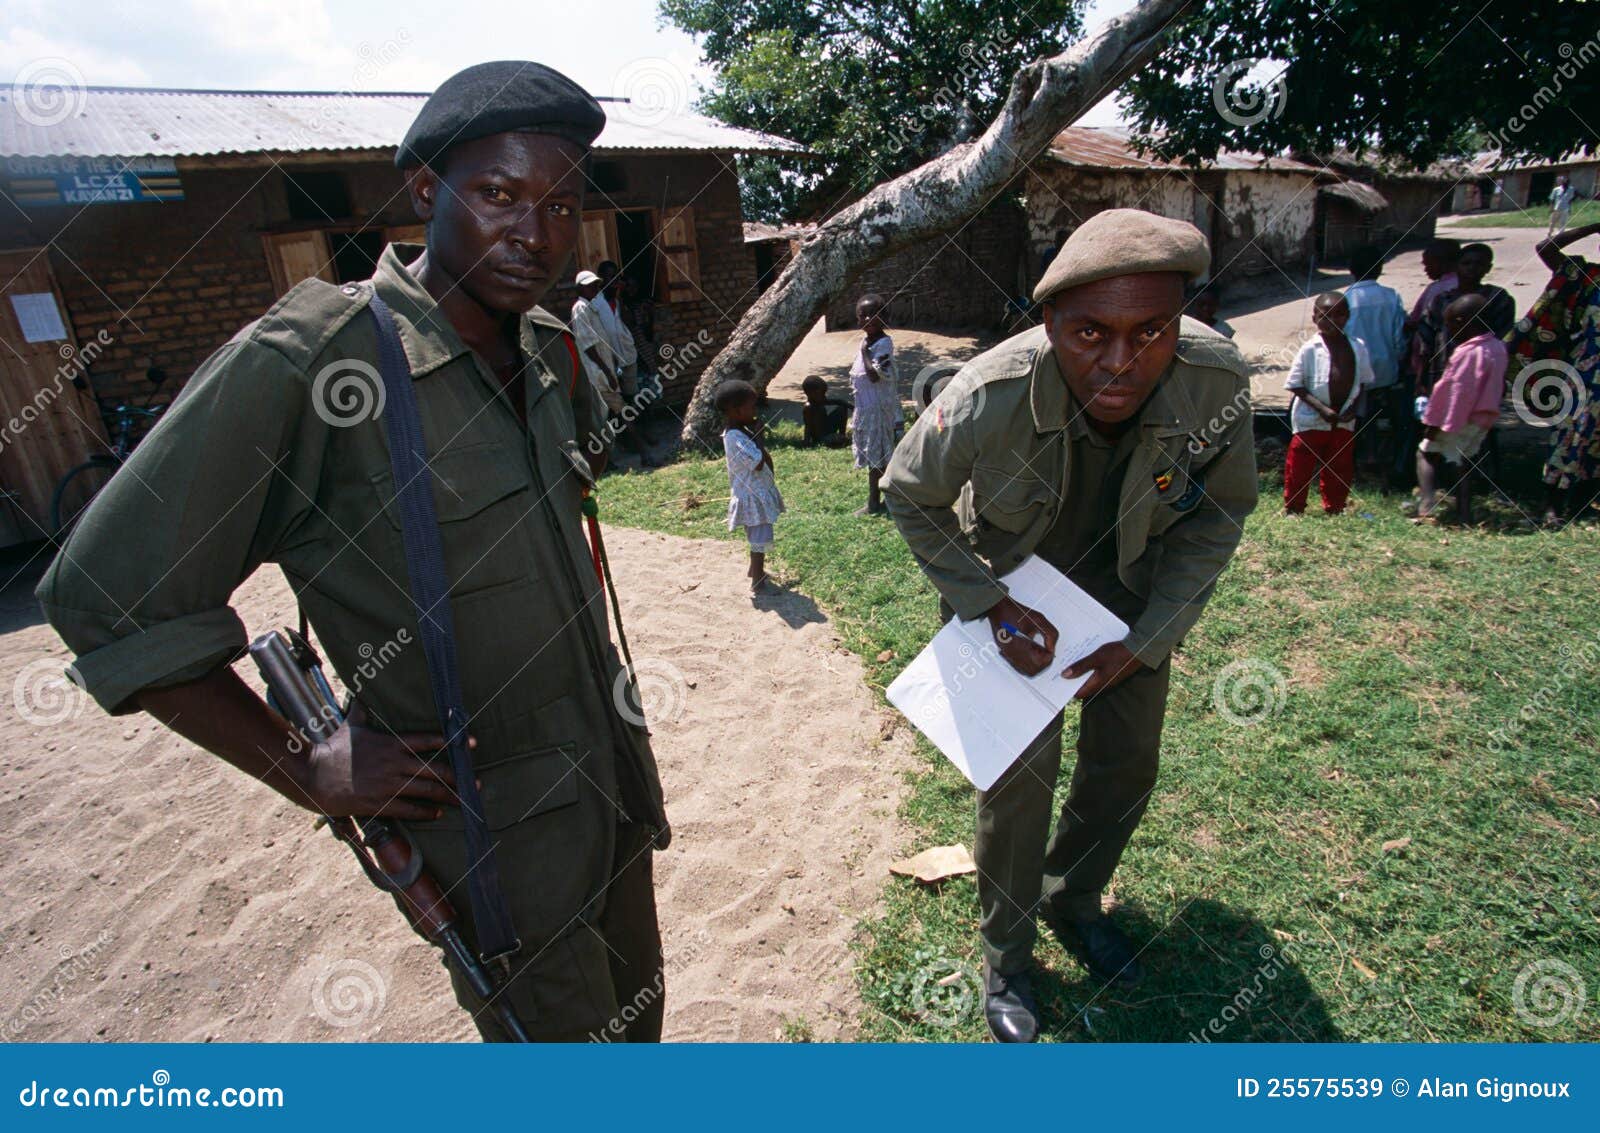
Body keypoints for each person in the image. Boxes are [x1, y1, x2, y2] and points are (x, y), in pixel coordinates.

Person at [34, 61, 670, 1042]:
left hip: (611, 789)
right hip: (494, 841)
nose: (534, 235)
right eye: (499, 195)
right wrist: (305, 764)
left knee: (639, 1035)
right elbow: (108, 594)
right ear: (426, 191)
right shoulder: (318, 358)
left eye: (560, 204)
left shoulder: (545, 348)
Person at [882, 208, 1258, 1042]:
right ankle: (1007, 955)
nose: (1120, 361)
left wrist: (1150, 636)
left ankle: (1074, 898)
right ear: (1048, 322)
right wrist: (988, 605)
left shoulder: (1216, 383)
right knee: (1018, 785)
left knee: (1126, 767)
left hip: (1131, 596)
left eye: (1151, 331)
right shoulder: (988, 392)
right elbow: (911, 494)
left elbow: (1217, 515)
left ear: (1180, 323)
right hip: (1006, 596)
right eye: (1090, 332)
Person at [1510, 220, 1600, 525]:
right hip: (1586, 375)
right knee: (1570, 435)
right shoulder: (1586, 278)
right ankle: (1551, 505)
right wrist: (1595, 226)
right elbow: (1546, 248)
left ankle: (1583, 504)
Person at [1412, 293, 1507, 525]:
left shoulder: (1466, 353)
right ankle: (1465, 513)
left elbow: (1454, 392)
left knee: (1426, 453)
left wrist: (1434, 425)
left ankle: (1426, 506)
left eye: (1449, 324)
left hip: (1458, 418)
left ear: (1461, 322)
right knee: (1462, 464)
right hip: (1482, 419)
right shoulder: (1498, 347)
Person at [1284, 292, 1372, 515]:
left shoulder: (1357, 346)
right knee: (1300, 465)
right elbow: (1295, 384)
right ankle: (1294, 508)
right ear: (1315, 318)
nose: (1332, 321)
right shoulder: (1309, 349)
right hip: (1311, 418)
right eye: (1325, 316)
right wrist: (1322, 409)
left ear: (1348, 317)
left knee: (1339, 465)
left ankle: (1335, 506)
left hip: (1343, 420)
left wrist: (1352, 408)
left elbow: (1363, 382)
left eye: (1339, 315)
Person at [1341, 246, 1407, 469]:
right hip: (1386, 366)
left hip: (1358, 368)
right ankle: (1382, 453)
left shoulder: (1347, 299)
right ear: (1379, 269)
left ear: (1351, 270)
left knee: (1360, 412)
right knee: (1380, 409)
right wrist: (1398, 358)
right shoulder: (1391, 296)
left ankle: (1365, 453)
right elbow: (1399, 335)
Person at [717, 379, 784, 593]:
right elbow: (756, 463)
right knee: (760, 539)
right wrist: (759, 437)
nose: (756, 411)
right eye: (752, 407)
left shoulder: (739, 431)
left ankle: (755, 571)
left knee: (758, 536)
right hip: (752, 496)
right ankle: (757, 579)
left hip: (756, 493)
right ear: (737, 411)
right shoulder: (736, 437)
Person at [850, 293, 899, 516]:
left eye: (873, 315)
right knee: (875, 457)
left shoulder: (883, 344)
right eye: (862, 316)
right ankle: (882, 500)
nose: (867, 319)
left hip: (879, 409)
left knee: (878, 458)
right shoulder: (866, 342)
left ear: (883, 318)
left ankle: (875, 502)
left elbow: (874, 375)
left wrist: (863, 353)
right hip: (867, 408)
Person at [570, 268, 625, 417]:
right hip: (597, 371)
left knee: (611, 411)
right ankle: (636, 439)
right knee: (617, 407)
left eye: (596, 285)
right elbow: (588, 346)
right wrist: (607, 372)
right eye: (590, 285)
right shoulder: (580, 309)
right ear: (580, 288)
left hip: (603, 368)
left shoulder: (590, 307)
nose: (594, 288)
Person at [800, 374, 851, 447]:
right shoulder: (808, 407)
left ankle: (842, 434)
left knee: (842, 408)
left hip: (828, 428)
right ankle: (837, 439)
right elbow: (808, 427)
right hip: (821, 438)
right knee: (842, 440)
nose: (824, 396)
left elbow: (839, 402)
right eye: (822, 394)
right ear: (811, 394)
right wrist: (806, 441)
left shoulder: (819, 400)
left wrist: (853, 407)